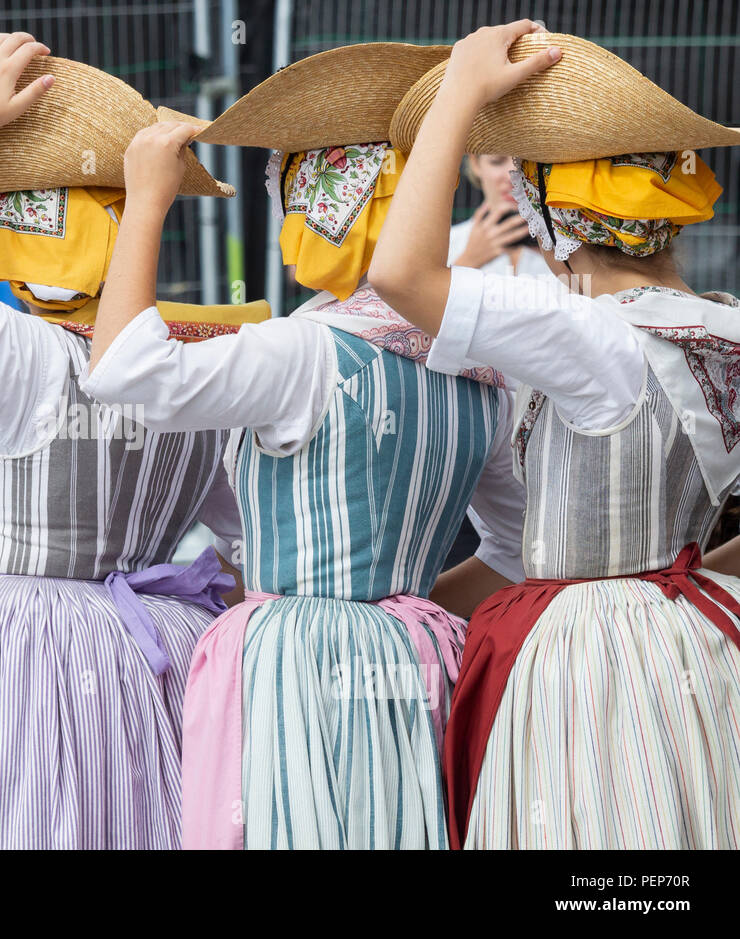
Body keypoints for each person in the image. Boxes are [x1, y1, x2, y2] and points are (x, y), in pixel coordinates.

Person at [83, 41, 525, 849]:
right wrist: (400, 605)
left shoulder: (299, 353)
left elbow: (120, 371)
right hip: (413, 664)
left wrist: (146, 201)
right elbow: (518, 550)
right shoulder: (488, 377)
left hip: (292, 666)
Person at [0, 34, 256, 849]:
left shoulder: (25, 360)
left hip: (13, 657)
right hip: (149, 657)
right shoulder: (204, 362)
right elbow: (251, 543)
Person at [371, 22, 740, 848]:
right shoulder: (724, 329)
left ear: (551, 219)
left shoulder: (589, 335)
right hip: (697, 639)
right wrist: (676, 579)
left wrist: (461, 94)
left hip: (590, 658)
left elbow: (400, 274)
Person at [448, 153, 550, 276]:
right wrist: (469, 260)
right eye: (496, 161)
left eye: (527, 162)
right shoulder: (447, 246)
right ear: (475, 164)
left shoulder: (569, 246)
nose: (512, 177)